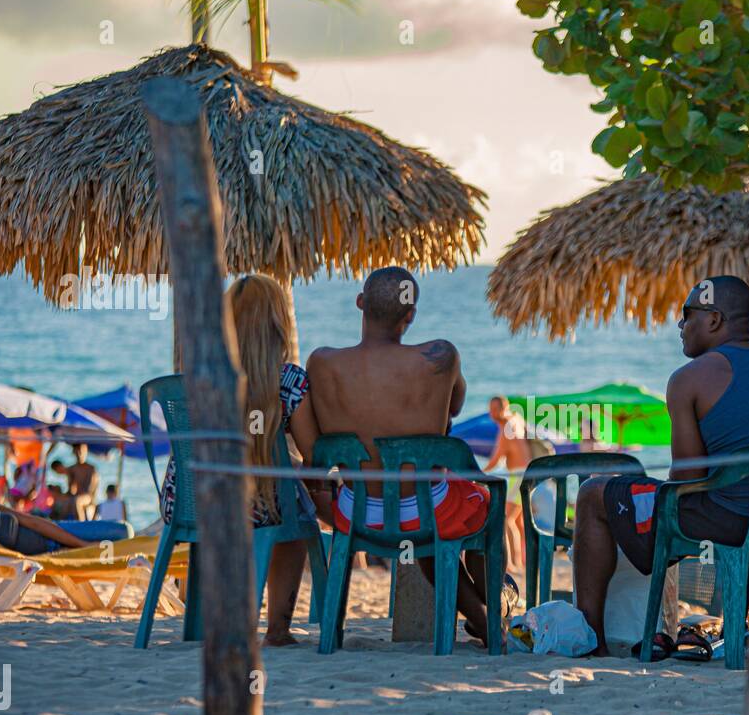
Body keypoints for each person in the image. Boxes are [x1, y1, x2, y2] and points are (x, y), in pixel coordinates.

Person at [571, 276, 749, 656]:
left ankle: (590, 639)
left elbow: (686, 477)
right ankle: (735, 621)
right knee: (745, 497)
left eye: (688, 315)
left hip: (721, 517)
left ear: (715, 320)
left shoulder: (689, 379)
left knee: (592, 494)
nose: (680, 326)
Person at [301, 265, 496, 645]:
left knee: (423, 518)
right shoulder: (440, 356)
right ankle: (491, 605)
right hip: (427, 509)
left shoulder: (321, 362)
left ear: (360, 303)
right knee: (482, 502)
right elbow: (454, 408)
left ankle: (484, 617)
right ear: (411, 316)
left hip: (356, 511)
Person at [158, 274, 318, 646]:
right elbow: (314, 454)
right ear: (278, 324)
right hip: (252, 507)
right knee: (297, 521)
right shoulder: (288, 381)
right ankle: (277, 629)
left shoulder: (198, 375)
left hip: (185, 502)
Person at [484, 395, 531, 573]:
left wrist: (476, 473)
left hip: (517, 476)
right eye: (490, 409)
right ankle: (524, 562)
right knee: (519, 521)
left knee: (506, 519)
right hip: (526, 474)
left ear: (503, 408)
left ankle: (513, 563)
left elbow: (496, 459)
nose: (491, 414)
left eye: (494, 410)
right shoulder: (517, 419)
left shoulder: (506, 428)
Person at [50, 444, 99, 520]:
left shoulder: (91, 468)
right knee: (63, 502)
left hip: (88, 497)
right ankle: (59, 525)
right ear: (74, 453)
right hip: (76, 495)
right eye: (77, 452)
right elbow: (71, 489)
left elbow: (91, 490)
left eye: (81, 451)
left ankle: (80, 525)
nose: (79, 454)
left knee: (77, 501)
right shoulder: (72, 469)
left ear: (86, 452)